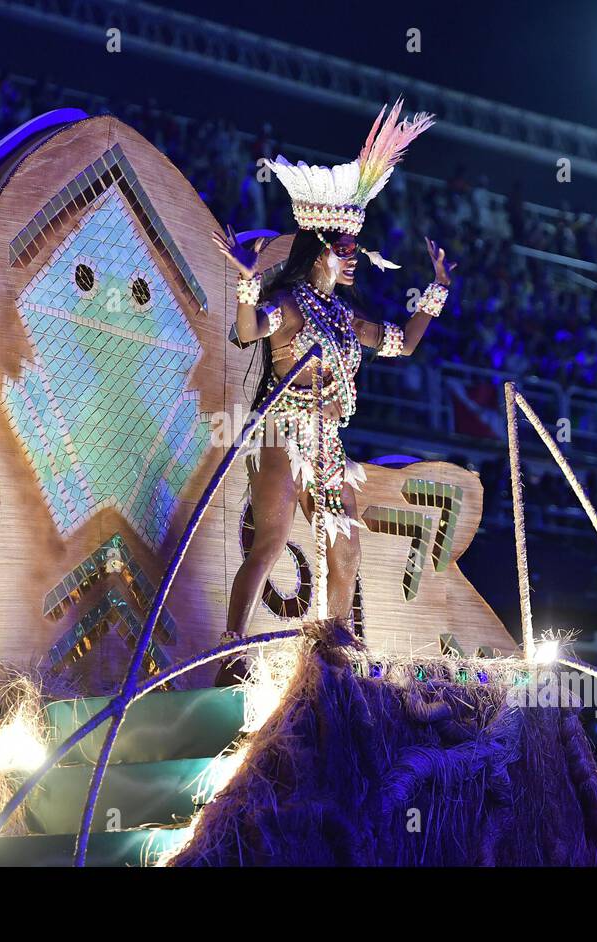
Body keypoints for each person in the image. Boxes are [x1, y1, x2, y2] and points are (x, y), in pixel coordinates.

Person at [209, 100, 453, 684]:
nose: (355, 261)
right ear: (319, 247)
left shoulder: (346, 319)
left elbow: (402, 343)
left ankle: (332, 659)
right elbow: (248, 333)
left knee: (345, 550)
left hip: (330, 448)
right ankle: (229, 652)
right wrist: (247, 285)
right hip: (283, 434)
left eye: (356, 252)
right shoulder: (290, 304)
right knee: (268, 544)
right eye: (347, 251)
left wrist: (436, 293)